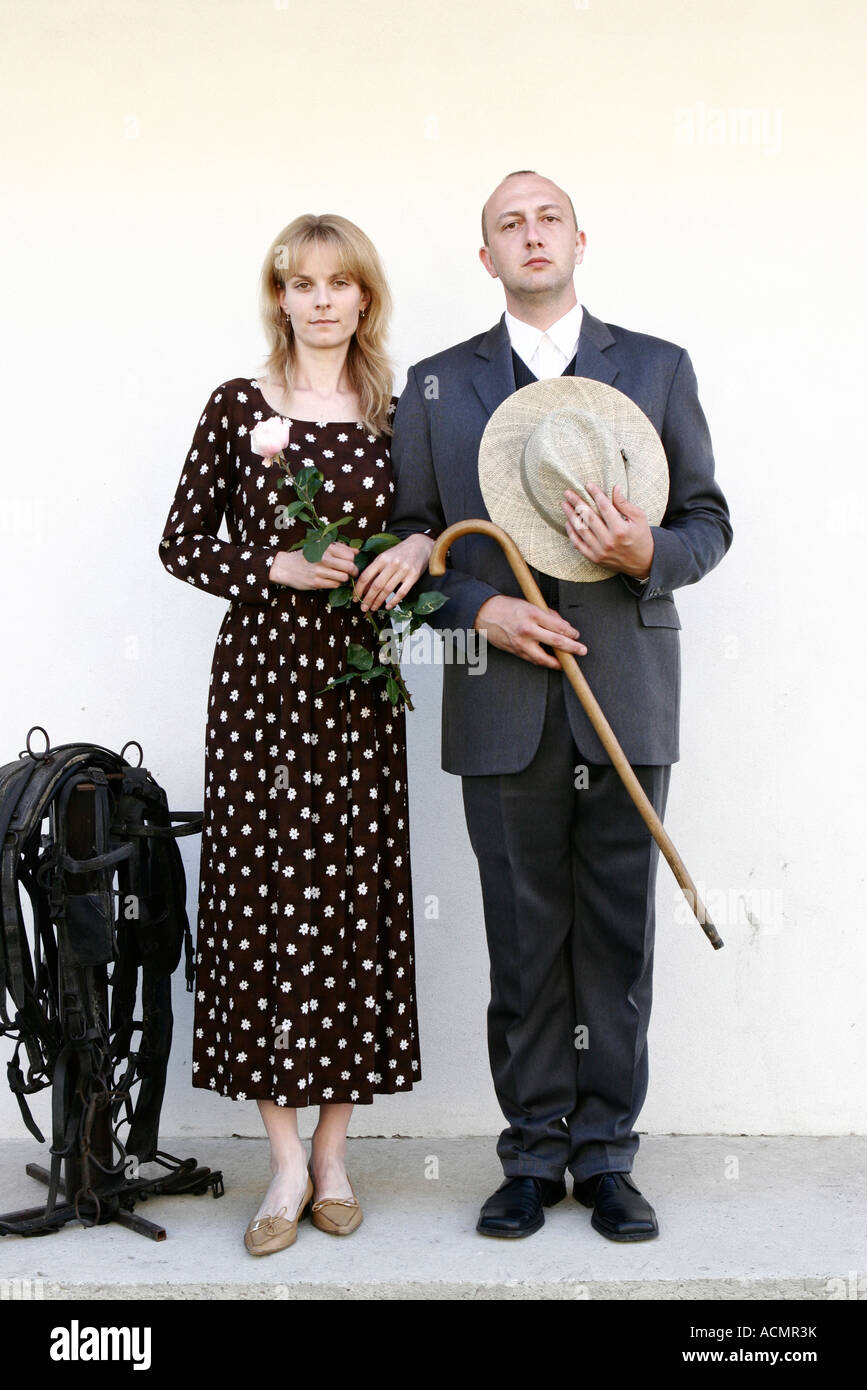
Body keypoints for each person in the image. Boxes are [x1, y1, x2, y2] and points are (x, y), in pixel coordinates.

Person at [381, 169, 732, 1241]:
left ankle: (608, 1159)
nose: (531, 236)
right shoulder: (436, 385)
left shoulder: (659, 370)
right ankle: (531, 1155)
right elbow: (415, 543)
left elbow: (710, 523)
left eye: (547, 219)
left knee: (617, 940)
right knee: (525, 941)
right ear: (486, 257)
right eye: (507, 225)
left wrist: (648, 552)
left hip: (624, 697)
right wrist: (479, 610)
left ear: (581, 238)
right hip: (500, 707)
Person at [158, 213, 434, 1254]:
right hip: (263, 689)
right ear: (279, 296)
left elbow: (430, 528)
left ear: (365, 297)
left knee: (351, 904)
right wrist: (267, 566)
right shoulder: (238, 408)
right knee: (265, 901)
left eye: (339, 282)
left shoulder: (398, 415)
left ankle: (333, 1155)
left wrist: (409, 547)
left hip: (359, 696)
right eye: (299, 282)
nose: (319, 298)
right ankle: (280, 1164)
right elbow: (180, 540)